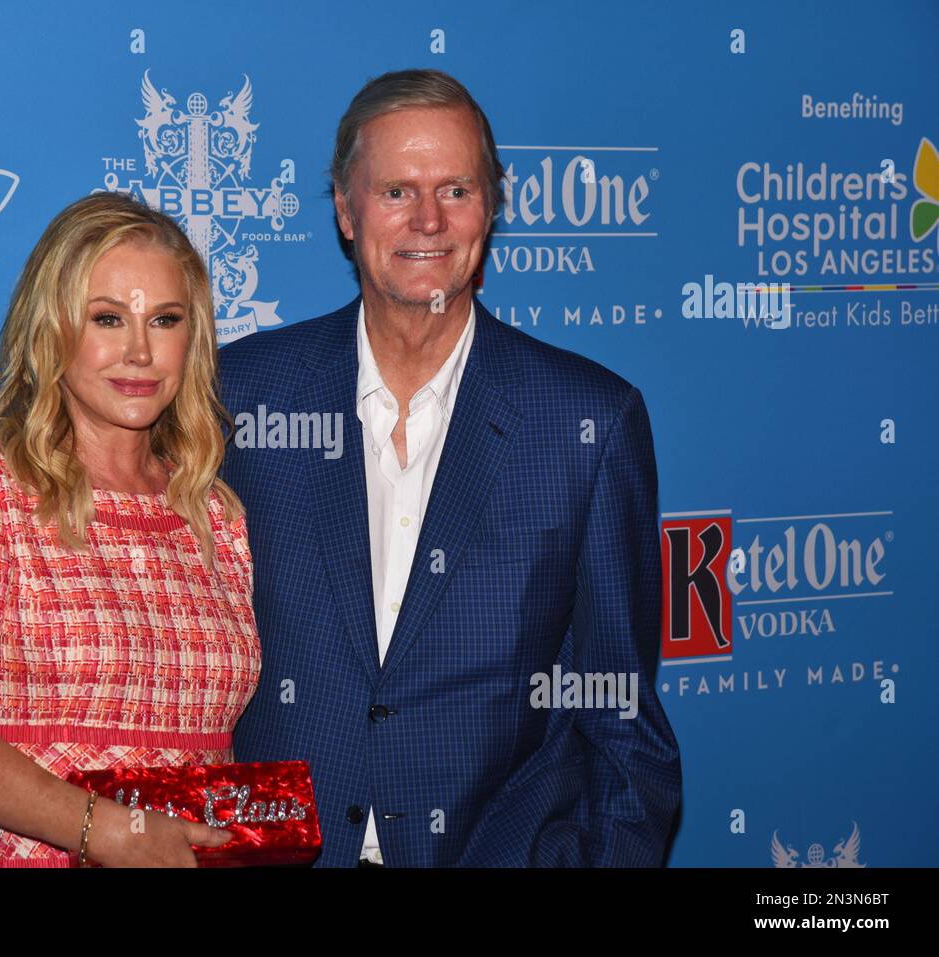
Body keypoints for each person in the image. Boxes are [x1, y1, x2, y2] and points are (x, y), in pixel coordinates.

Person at [219, 69, 682, 866]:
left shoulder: (589, 422)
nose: (428, 219)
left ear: (492, 205)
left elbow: (620, 722)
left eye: (456, 189)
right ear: (344, 207)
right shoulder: (240, 395)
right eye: (396, 189)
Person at [0, 192, 259, 867]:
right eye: (108, 318)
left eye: (167, 319)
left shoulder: (215, 515)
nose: (141, 351)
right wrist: (111, 831)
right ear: (52, 330)